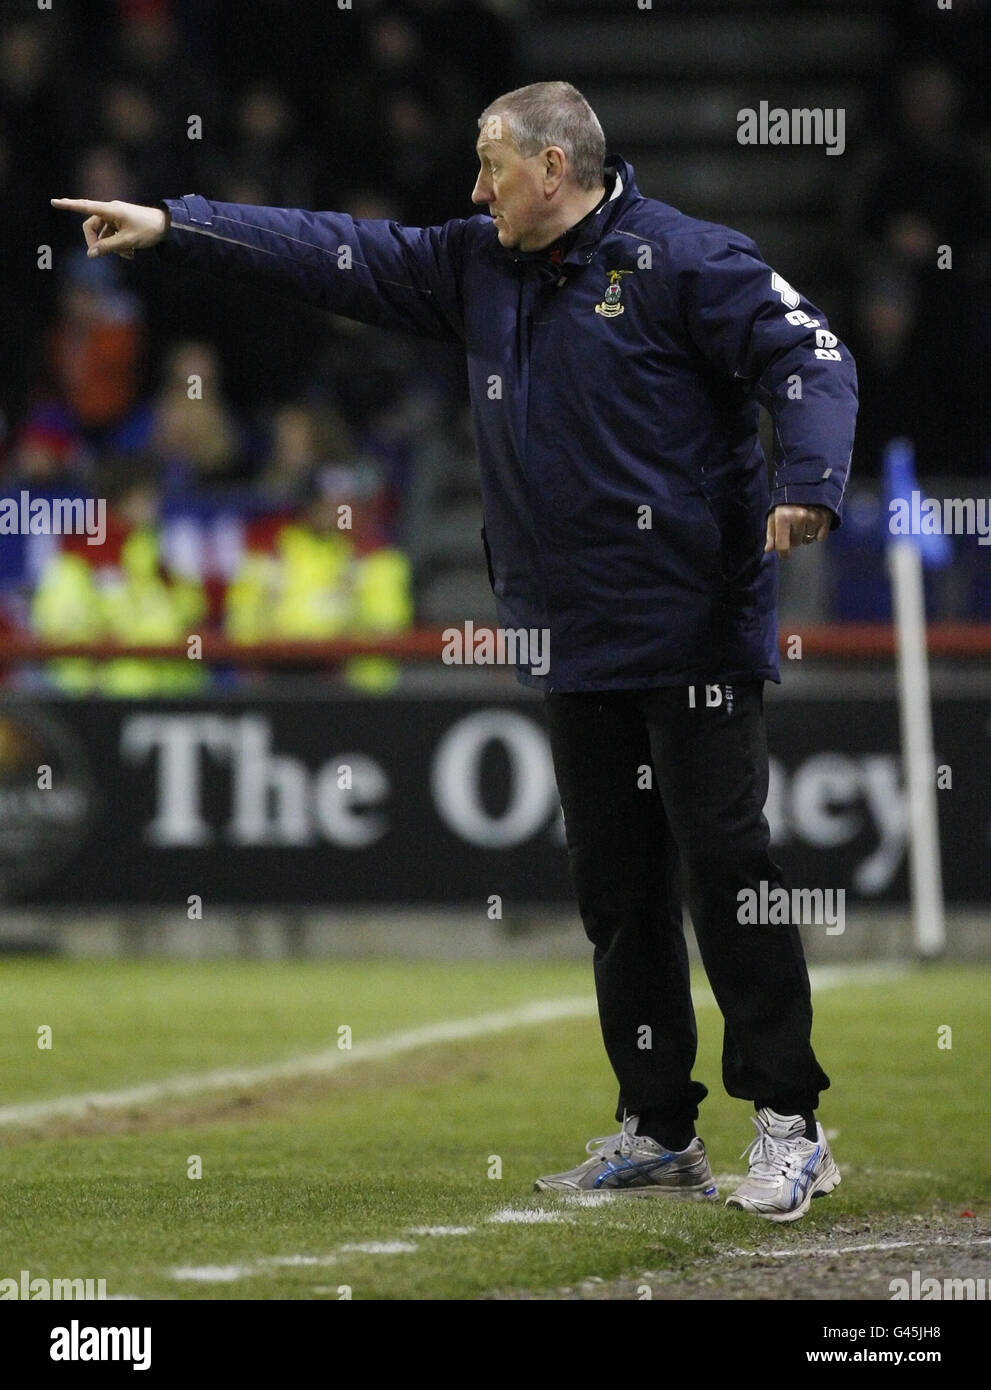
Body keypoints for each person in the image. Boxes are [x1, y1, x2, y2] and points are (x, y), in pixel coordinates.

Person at [53, 79, 857, 1222]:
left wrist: (811, 485)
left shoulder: (687, 260)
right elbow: (335, 251)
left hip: (691, 624)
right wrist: (180, 224)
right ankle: (657, 1129)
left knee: (728, 872)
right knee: (618, 892)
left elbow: (813, 358)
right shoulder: (478, 262)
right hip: (571, 630)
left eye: (489, 167)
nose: (472, 191)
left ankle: (790, 1123)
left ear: (552, 169)